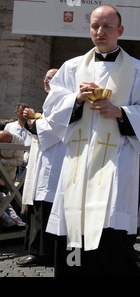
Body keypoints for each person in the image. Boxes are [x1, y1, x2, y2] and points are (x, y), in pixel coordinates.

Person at [39, 5, 140, 277]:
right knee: (74, 234)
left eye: (107, 26)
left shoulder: (138, 70)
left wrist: (120, 112)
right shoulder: (72, 68)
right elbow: (51, 110)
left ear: (119, 30)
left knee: (109, 236)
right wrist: (76, 99)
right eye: (95, 26)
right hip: (77, 166)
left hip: (116, 166)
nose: (100, 31)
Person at [17, 68, 62, 267]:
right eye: (44, 77)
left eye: (50, 78)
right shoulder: (51, 100)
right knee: (36, 206)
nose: (46, 81)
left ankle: (41, 253)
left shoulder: (62, 101)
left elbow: (52, 129)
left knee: (45, 208)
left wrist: (33, 124)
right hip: (40, 160)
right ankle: (36, 250)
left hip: (53, 162)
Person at [0, 130, 26, 228]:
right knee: (1, 197)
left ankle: (11, 218)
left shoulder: (18, 141)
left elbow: (18, 161)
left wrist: (2, 161)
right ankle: (13, 218)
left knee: (3, 197)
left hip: (7, 176)